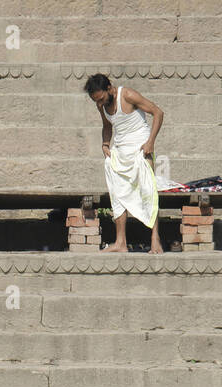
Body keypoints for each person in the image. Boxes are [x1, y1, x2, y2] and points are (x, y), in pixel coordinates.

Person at [85, 73, 164, 254]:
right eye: (96, 101)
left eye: (101, 98)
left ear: (109, 88)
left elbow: (158, 112)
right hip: (120, 150)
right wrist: (105, 143)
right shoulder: (101, 105)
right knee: (117, 194)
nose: (99, 103)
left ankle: (155, 239)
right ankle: (120, 242)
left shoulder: (127, 95)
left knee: (148, 192)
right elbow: (107, 126)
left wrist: (151, 141)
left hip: (141, 148)